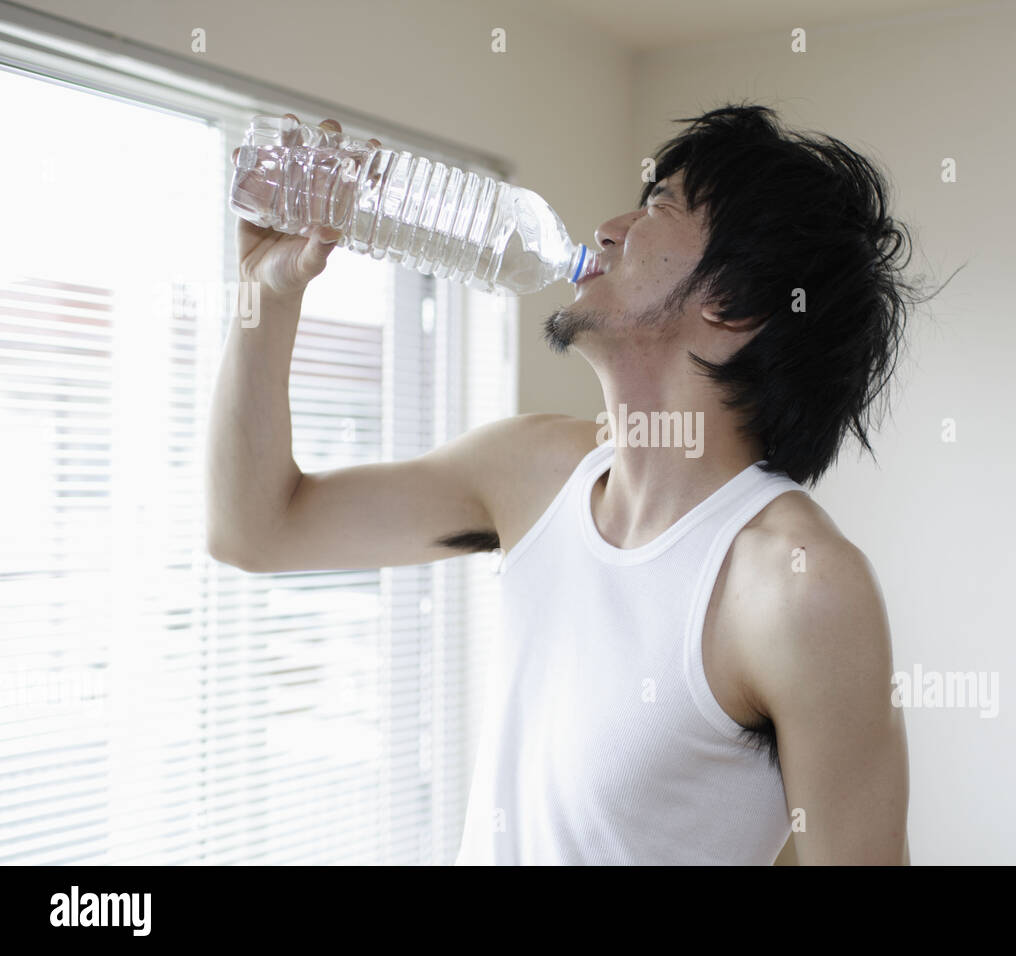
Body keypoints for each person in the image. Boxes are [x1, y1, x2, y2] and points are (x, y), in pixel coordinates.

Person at [208, 103, 915, 865]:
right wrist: (266, 297)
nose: (609, 229)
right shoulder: (532, 468)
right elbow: (256, 530)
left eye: (658, 208)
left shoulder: (797, 584)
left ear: (733, 302)